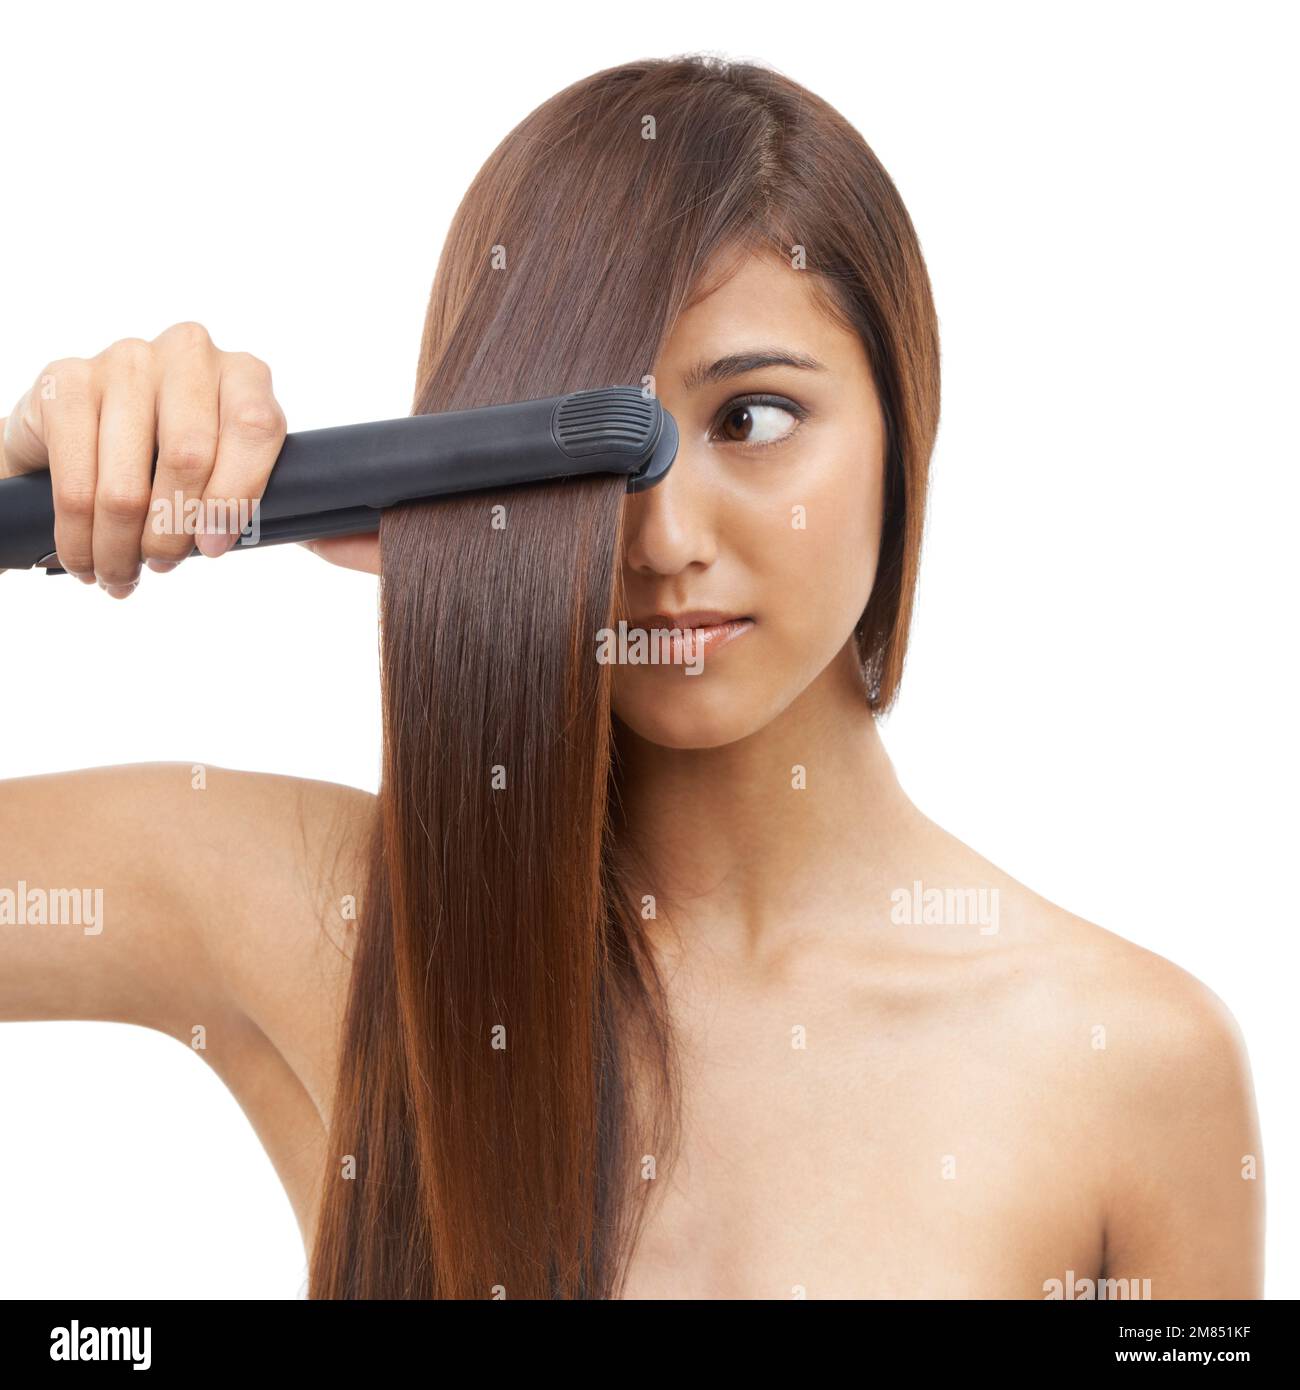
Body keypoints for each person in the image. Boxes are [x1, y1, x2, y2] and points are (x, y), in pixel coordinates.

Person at [0, 53, 1264, 1300]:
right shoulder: (317, 920)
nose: (665, 540)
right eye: (606, 444)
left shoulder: (1136, 1069)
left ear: (901, 431)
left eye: (752, 419)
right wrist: (17, 492)